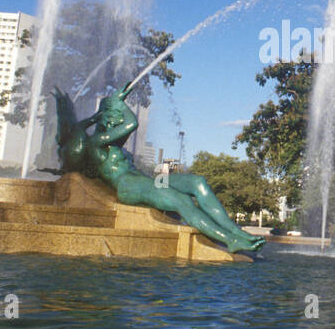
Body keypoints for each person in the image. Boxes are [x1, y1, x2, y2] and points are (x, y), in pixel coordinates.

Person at [59, 83, 264, 255]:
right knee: (181, 200)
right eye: (113, 115)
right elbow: (132, 124)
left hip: (145, 181)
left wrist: (115, 105)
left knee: (197, 182)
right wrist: (119, 104)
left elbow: (127, 125)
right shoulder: (97, 143)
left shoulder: (116, 146)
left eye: (117, 115)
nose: (118, 119)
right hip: (127, 186)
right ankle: (229, 240)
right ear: (104, 120)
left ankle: (236, 232)